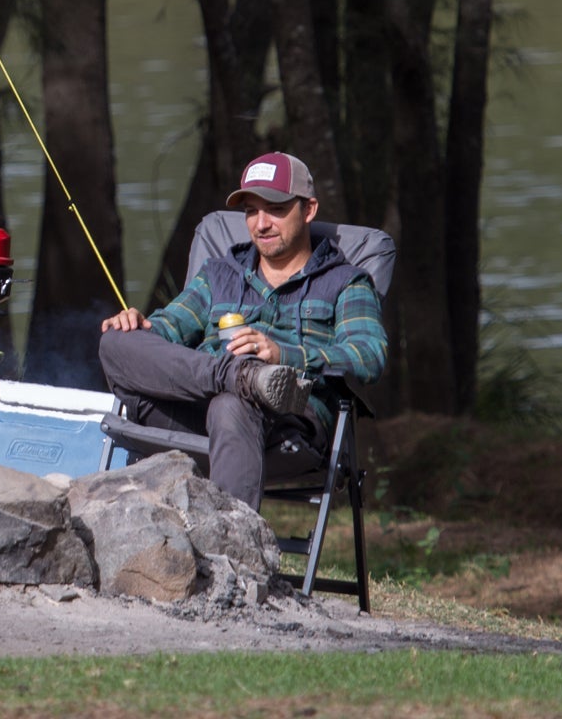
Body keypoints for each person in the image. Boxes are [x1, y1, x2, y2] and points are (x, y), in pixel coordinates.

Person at [98, 151, 387, 508]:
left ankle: (231, 556)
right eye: (251, 211)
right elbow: (168, 326)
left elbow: (369, 354)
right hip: (194, 405)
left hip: (285, 426)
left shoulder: (345, 282)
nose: (261, 223)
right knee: (115, 343)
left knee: (232, 405)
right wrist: (139, 326)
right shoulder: (220, 274)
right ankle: (238, 375)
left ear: (308, 209)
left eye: (276, 208)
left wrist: (284, 355)